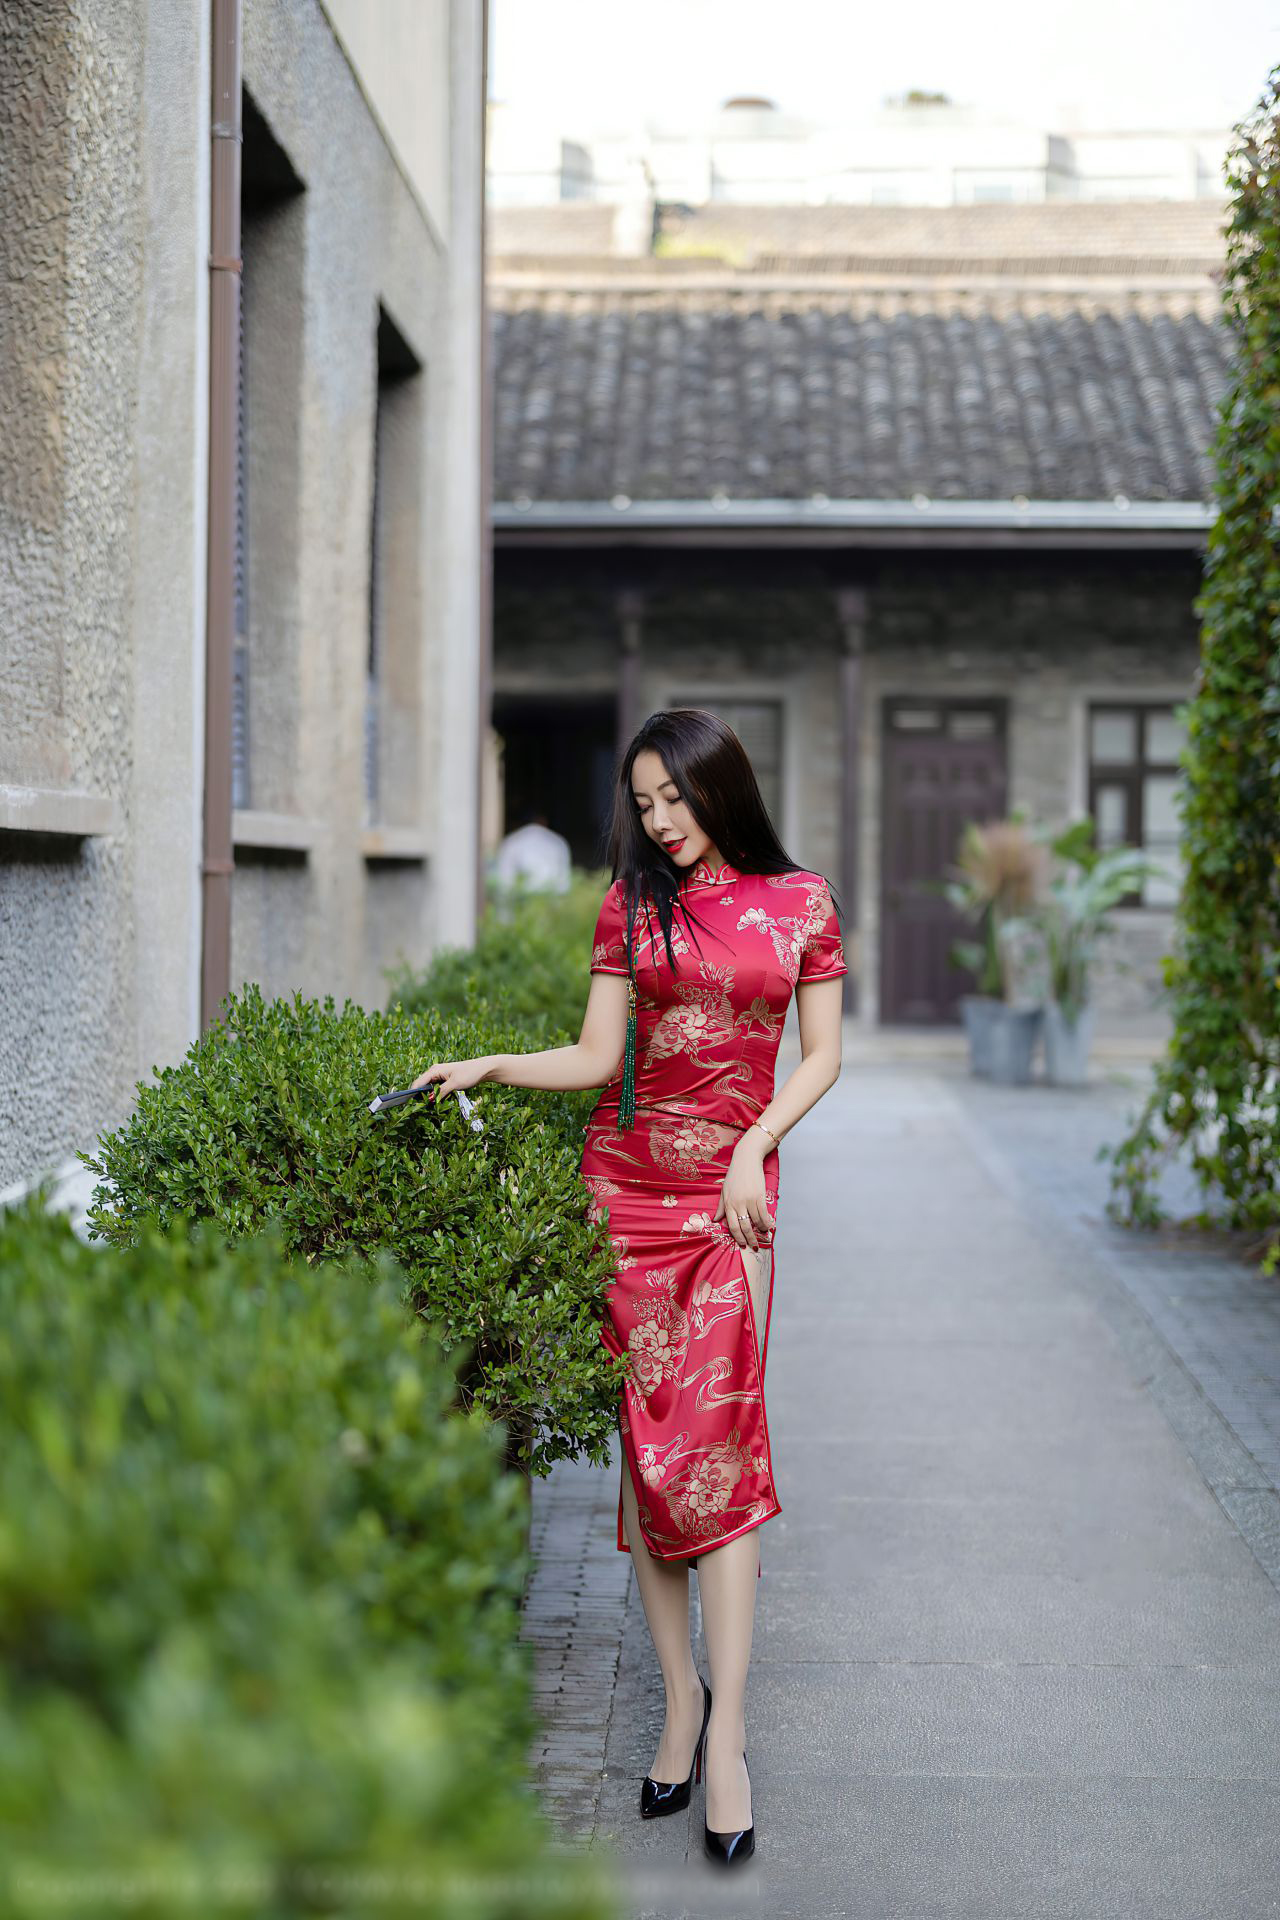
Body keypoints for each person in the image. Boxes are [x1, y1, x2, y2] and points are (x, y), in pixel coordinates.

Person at [410, 708, 847, 1867]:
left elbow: (820, 1056)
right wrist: (496, 1064)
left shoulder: (801, 903)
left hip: (731, 1210)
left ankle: (729, 1739)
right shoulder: (630, 902)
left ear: (720, 788)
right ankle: (677, 1703)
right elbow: (601, 1059)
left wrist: (755, 1146)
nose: (657, 821)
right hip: (627, 1205)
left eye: (673, 800)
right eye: (641, 803)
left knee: (721, 1453)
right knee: (651, 1456)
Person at [490, 809, 571, 893]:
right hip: (547, 898)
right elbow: (563, 883)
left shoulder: (512, 841)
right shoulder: (558, 841)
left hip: (523, 899)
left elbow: (504, 880)